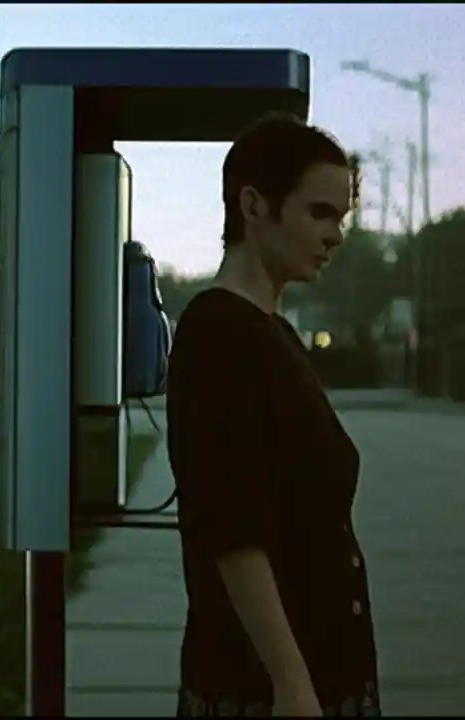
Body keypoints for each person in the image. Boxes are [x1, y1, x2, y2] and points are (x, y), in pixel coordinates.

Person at [167, 112, 381, 717]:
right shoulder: (218, 333)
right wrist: (291, 683)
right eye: (320, 213)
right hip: (261, 689)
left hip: (316, 673)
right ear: (255, 206)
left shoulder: (272, 333)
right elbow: (234, 530)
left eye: (341, 217)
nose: (337, 235)